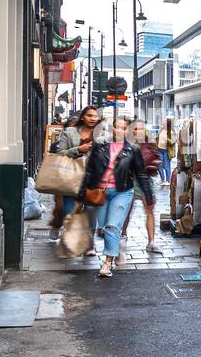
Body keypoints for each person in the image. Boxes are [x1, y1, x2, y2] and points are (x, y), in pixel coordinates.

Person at [81, 114, 152, 278]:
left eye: (123, 128)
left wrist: (148, 195)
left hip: (122, 192)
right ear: (111, 127)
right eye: (116, 126)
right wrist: (82, 192)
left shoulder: (133, 149)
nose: (119, 130)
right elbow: (89, 170)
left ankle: (107, 262)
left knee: (113, 226)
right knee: (104, 228)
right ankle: (114, 248)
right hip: (100, 192)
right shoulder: (99, 145)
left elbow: (141, 174)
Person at [50, 106, 108, 255]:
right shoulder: (70, 132)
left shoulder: (102, 135)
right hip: (72, 178)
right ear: (83, 117)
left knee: (90, 212)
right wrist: (78, 150)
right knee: (70, 211)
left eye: (95, 116)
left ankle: (89, 245)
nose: (92, 118)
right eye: (89, 115)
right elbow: (59, 153)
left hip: (93, 179)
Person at [120, 120, 163, 254]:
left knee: (149, 210)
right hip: (130, 180)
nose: (139, 132)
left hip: (145, 181)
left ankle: (151, 242)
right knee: (126, 211)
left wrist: (155, 164)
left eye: (141, 129)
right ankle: (123, 236)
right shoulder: (125, 145)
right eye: (136, 129)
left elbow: (156, 159)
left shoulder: (149, 144)